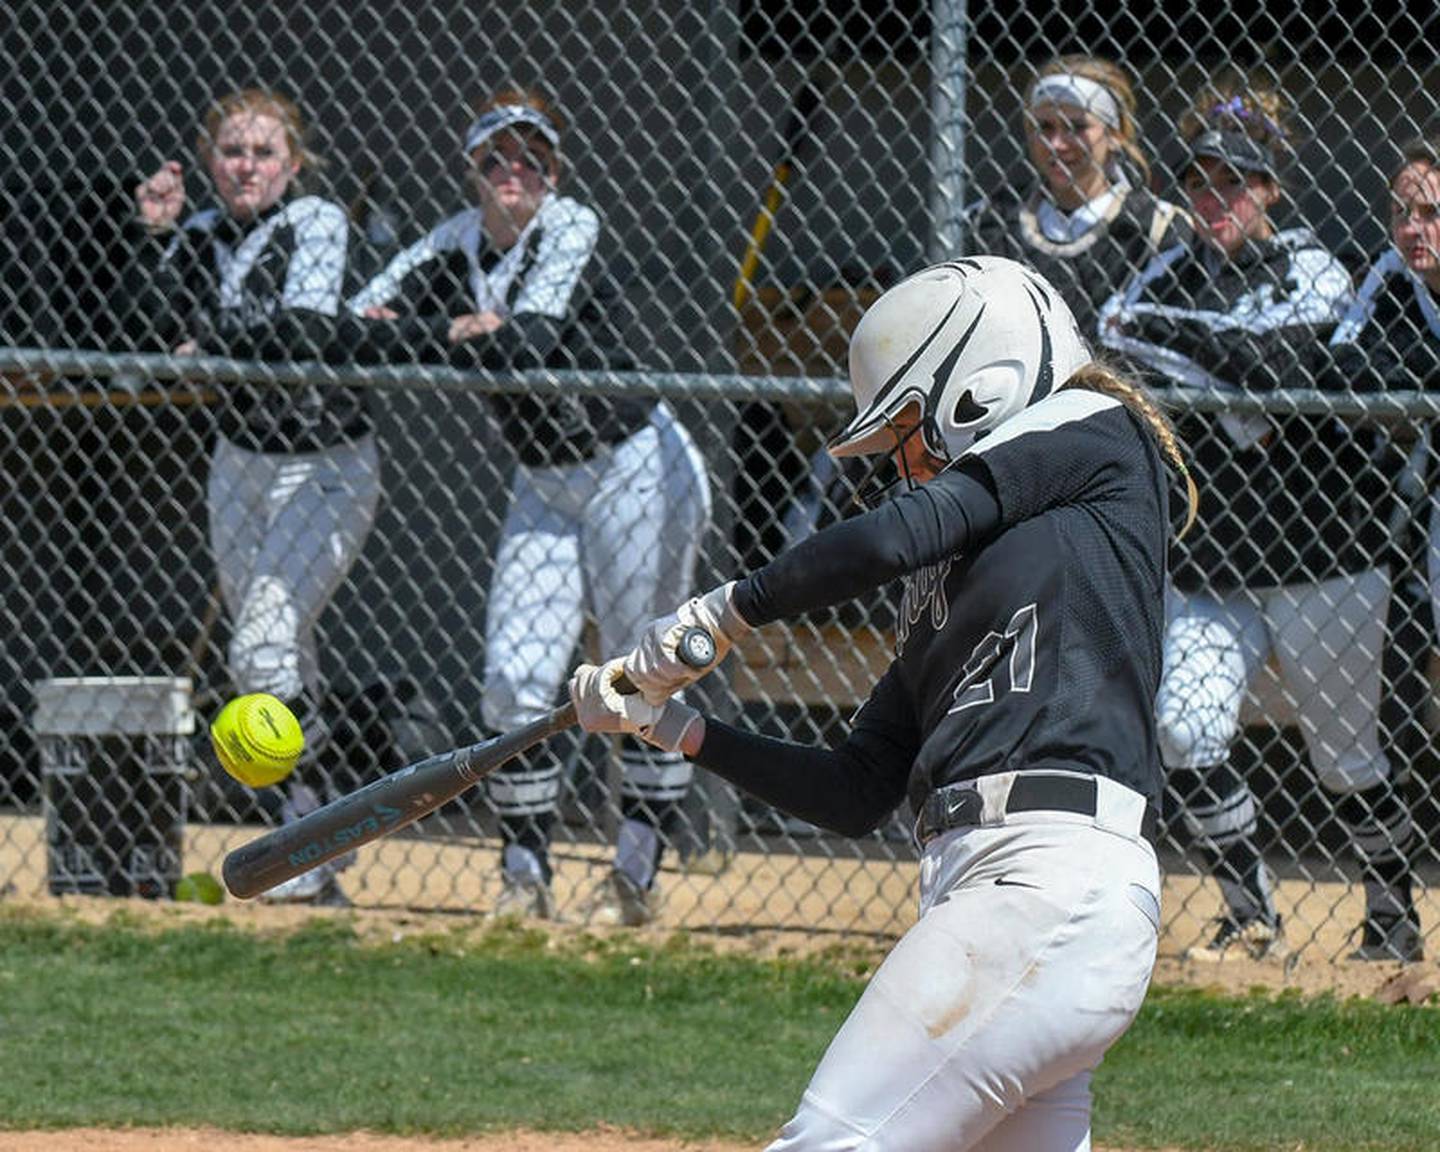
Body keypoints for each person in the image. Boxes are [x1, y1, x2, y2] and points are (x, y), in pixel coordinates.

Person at [569, 256, 1195, 1150]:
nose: (903, 462)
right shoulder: (959, 572)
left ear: (982, 380)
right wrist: (666, 725)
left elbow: (897, 534)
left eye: (908, 427)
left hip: (1046, 883)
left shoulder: (1095, 431)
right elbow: (857, 788)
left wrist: (723, 612)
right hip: (994, 894)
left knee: (829, 1141)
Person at [349, 87, 712, 925]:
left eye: (533, 159)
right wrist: (452, 331)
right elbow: (353, 325)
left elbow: (529, 343)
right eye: (498, 158)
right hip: (542, 481)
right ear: (472, 169)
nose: (516, 171)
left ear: (555, 172)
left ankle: (633, 877)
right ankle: (524, 877)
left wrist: (467, 334)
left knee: (643, 671)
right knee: (515, 678)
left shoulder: (570, 224)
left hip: (633, 466)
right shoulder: (453, 244)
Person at [1097, 76, 1410, 962]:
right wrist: (1225, 368)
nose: (1213, 200)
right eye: (1199, 182)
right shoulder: (1168, 268)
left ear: (1269, 188)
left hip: (1326, 556)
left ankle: (1390, 914)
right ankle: (1251, 911)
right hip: (1215, 554)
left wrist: (1197, 355)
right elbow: (1115, 332)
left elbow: (1275, 370)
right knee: (1184, 728)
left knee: (1346, 759)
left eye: (1234, 183)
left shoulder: (1318, 266)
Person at [128, 88, 378, 906]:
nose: (246, 167)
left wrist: (213, 342)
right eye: (232, 152)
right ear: (209, 162)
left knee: (262, 646)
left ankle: (302, 842)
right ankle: (323, 839)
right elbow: (145, 329)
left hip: (324, 462)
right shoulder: (200, 235)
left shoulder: (318, 223)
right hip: (238, 461)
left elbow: (302, 332)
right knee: (282, 649)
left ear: (292, 164)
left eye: (264, 153)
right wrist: (154, 236)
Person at [1317, 136, 1440, 962]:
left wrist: (1412, 383)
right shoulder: (1389, 279)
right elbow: (1341, 369)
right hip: (1409, 533)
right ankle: (1389, 917)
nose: (1411, 228)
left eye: (1430, 212)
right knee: (1387, 710)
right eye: (1401, 211)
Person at [963, 53, 1191, 338]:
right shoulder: (988, 219)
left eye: (1077, 127)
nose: (1056, 143)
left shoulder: (1158, 227)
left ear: (1114, 134)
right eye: (1045, 127)